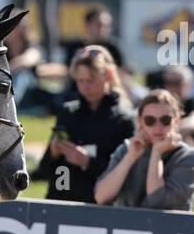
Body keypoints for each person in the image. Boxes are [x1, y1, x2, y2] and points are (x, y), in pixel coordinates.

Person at [33, 46, 135, 203]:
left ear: (107, 75)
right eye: (80, 81)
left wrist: (88, 162)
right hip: (59, 201)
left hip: (97, 207)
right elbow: (43, 171)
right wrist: (53, 153)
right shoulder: (68, 112)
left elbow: (128, 174)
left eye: (91, 80)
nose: (86, 87)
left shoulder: (124, 119)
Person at [94, 89, 194, 210]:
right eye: (150, 120)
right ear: (140, 122)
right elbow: (101, 197)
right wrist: (130, 158)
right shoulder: (127, 149)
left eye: (165, 120)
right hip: (126, 227)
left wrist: (156, 153)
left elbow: (158, 203)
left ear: (176, 121)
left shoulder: (189, 157)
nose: (158, 127)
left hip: (169, 228)